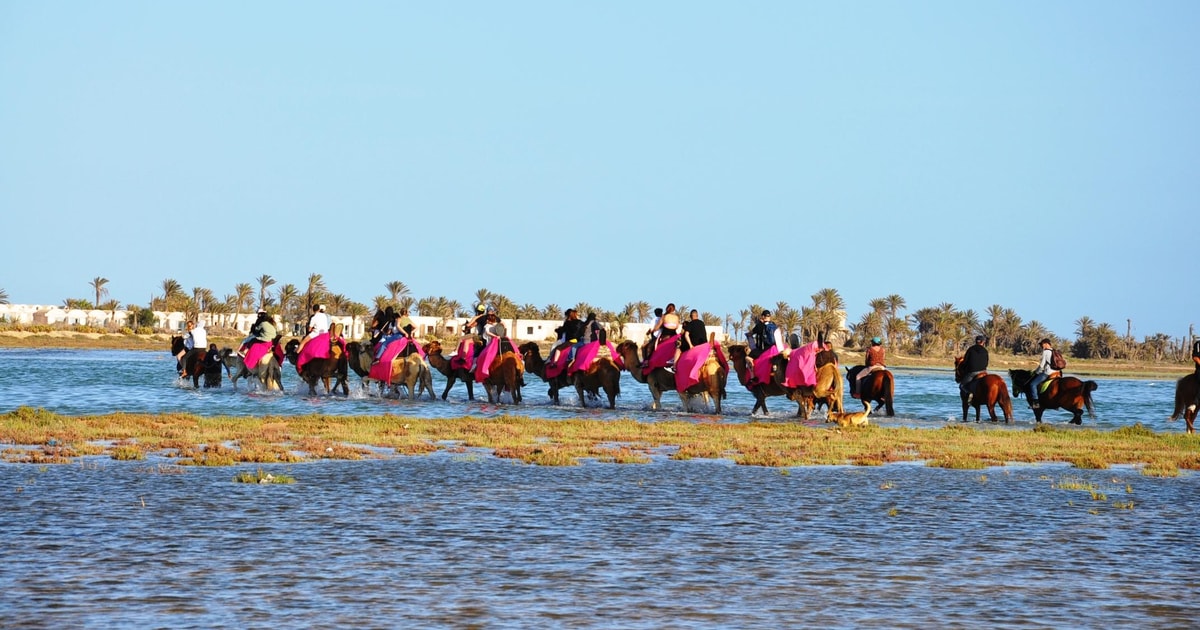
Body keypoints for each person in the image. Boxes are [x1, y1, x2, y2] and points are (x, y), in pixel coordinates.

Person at [1025, 338, 1054, 409]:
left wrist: (1036, 372)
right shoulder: (1054, 351)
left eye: (1042, 344)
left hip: (1048, 372)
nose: (1041, 346)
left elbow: (1041, 365)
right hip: (1057, 372)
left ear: (1047, 344)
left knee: (1032, 384)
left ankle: (1036, 403)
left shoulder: (1046, 352)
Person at [960, 335, 989, 402]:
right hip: (983, 372)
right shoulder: (985, 351)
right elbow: (986, 362)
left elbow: (965, 361)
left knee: (962, 385)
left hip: (972, 372)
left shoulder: (970, 349)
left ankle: (969, 392)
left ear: (976, 341)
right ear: (983, 342)